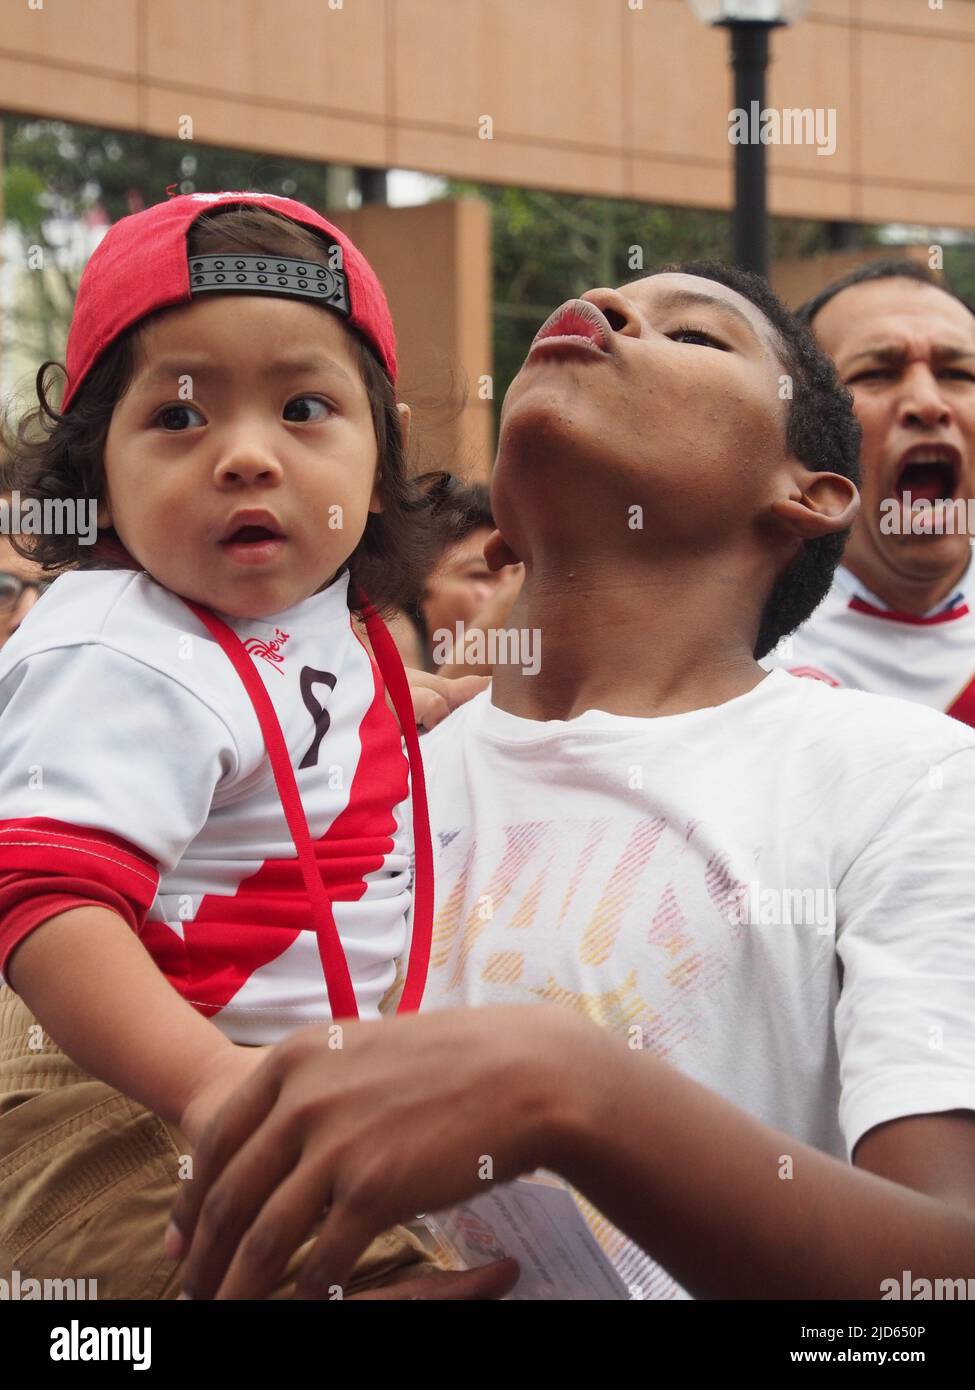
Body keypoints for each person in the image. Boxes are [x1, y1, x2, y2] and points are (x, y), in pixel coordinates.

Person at [166, 263, 975, 1301]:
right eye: (610, 303)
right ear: (502, 523)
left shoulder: (907, 783)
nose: (613, 310)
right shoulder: (333, 788)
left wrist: (574, 1091)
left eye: (696, 336)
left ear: (807, 495)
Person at [0, 190, 503, 1301]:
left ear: (381, 463)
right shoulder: (116, 643)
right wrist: (211, 1085)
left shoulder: (320, 621)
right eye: (178, 418)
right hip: (116, 1108)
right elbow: (49, 901)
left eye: (305, 407)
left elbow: (275, 724)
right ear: (97, 476)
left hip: (248, 1100)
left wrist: (412, 705)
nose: (244, 455)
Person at [763, 261, 975, 725]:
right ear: (804, 430)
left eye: (959, 373)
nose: (928, 404)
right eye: (878, 372)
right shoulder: (746, 656)